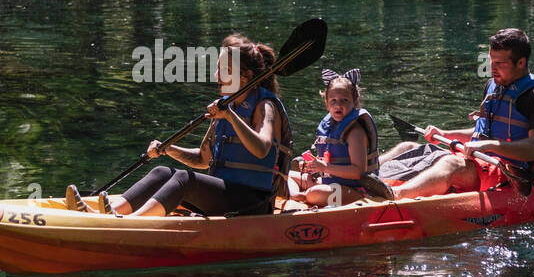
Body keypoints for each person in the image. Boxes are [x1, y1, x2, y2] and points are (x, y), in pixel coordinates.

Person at [65, 33, 293, 217]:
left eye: (224, 71)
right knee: (161, 171)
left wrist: (230, 116)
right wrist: (169, 149)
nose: (216, 75)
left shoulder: (264, 106)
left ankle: (133, 223)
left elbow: (263, 149)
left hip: (252, 200)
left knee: (185, 179)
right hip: (224, 191)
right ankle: (105, 214)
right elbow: (203, 160)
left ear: (245, 77)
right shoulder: (226, 106)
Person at [391, 28, 534, 199]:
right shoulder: (493, 85)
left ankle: (394, 196)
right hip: (483, 162)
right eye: (491, 61)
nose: (492, 68)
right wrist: (444, 134)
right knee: (407, 148)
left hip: (513, 173)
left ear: (521, 63)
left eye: (499, 63)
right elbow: (483, 134)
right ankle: (369, 182)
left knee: (451, 163)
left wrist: (488, 145)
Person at [289, 68, 379, 207]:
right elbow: (331, 161)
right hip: (332, 184)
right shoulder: (330, 127)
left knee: (316, 193)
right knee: (287, 176)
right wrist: (314, 166)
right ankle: (301, 195)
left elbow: (358, 172)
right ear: (326, 103)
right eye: (333, 100)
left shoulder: (355, 132)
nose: (338, 105)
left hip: (356, 191)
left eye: (344, 100)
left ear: (355, 103)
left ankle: (302, 196)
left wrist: (324, 167)